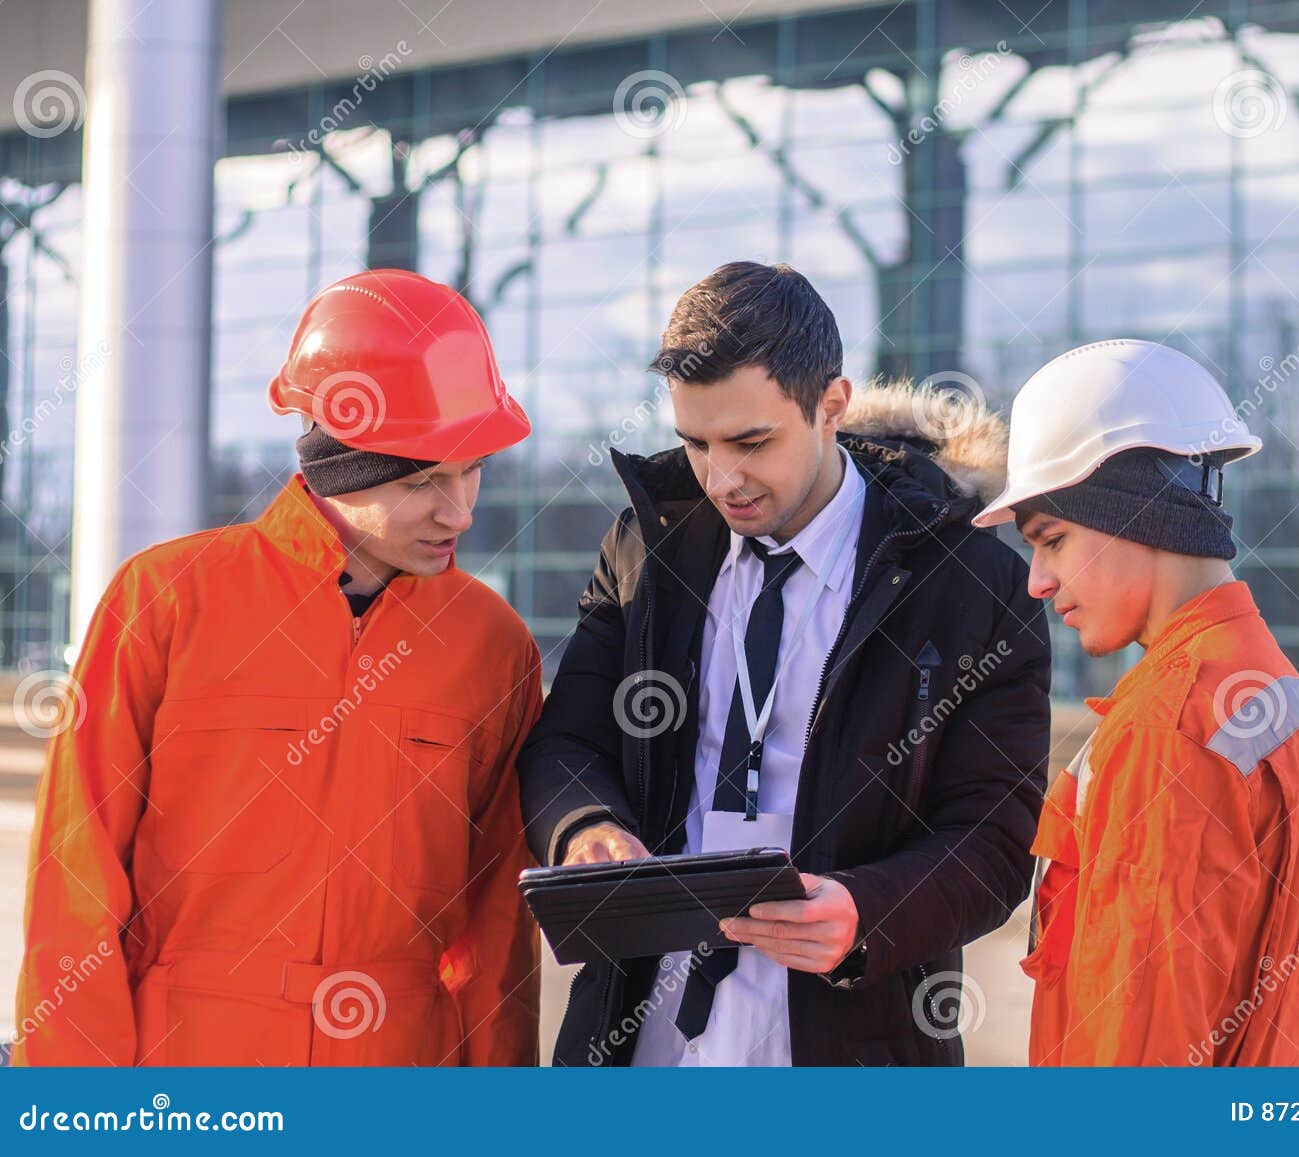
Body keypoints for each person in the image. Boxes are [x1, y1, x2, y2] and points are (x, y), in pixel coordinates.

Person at [520, 261, 1050, 1066]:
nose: (721, 477)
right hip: (640, 1035)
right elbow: (568, 742)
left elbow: (994, 838)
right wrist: (585, 826)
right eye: (694, 442)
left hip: (854, 1038)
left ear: (832, 403)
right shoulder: (643, 550)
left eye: (751, 441)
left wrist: (865, 910)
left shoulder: (974, 582)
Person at [12, 269, 541, 1066]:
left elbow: (499, 925)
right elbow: (75, 881)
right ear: (342, 466)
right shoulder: (164, 602)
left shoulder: (492, 644)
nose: (459, 511)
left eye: (473, 471)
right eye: (425, 480)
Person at [974, 338, 1299, 1066]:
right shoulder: (1277, 693)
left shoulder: (1165, 729)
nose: (1037, 583)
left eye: (1052, 540)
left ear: (1138, 513)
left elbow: (1139, 1047)